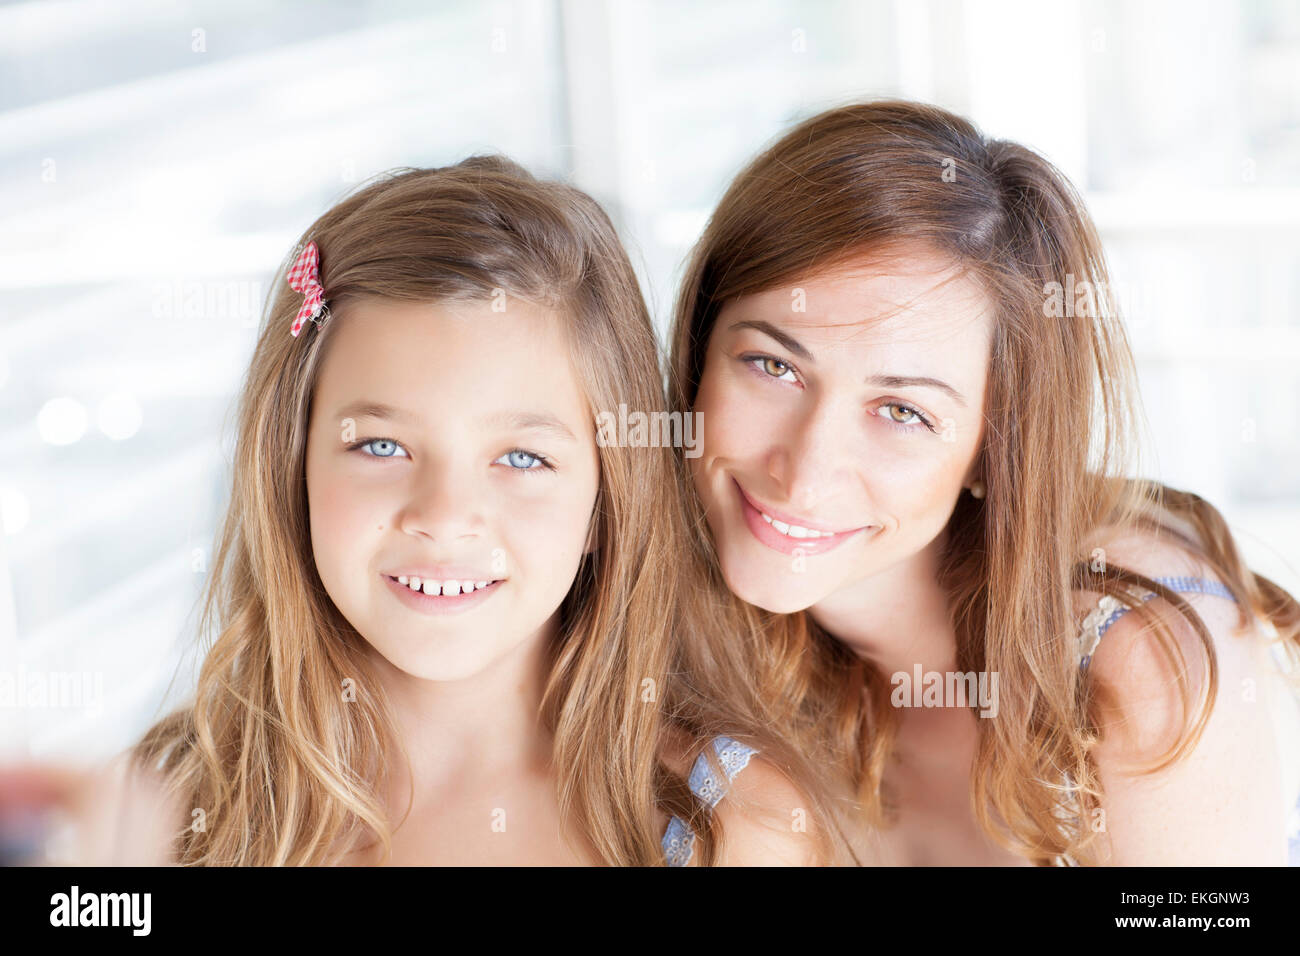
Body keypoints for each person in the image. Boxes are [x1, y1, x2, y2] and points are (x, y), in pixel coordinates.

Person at [3, 156, 841, 866]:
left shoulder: (732, 826)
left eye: (522, 458)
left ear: (604, 503)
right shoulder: (168, 812)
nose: (444, 517)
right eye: (380, 447)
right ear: (288, 468)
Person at [668, 99, 1300, 865]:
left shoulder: (1137, 647)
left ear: (994, 448)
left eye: (901, 411)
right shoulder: (669, 640)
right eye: (774, 365)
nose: (805, 470)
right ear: (701, 349)